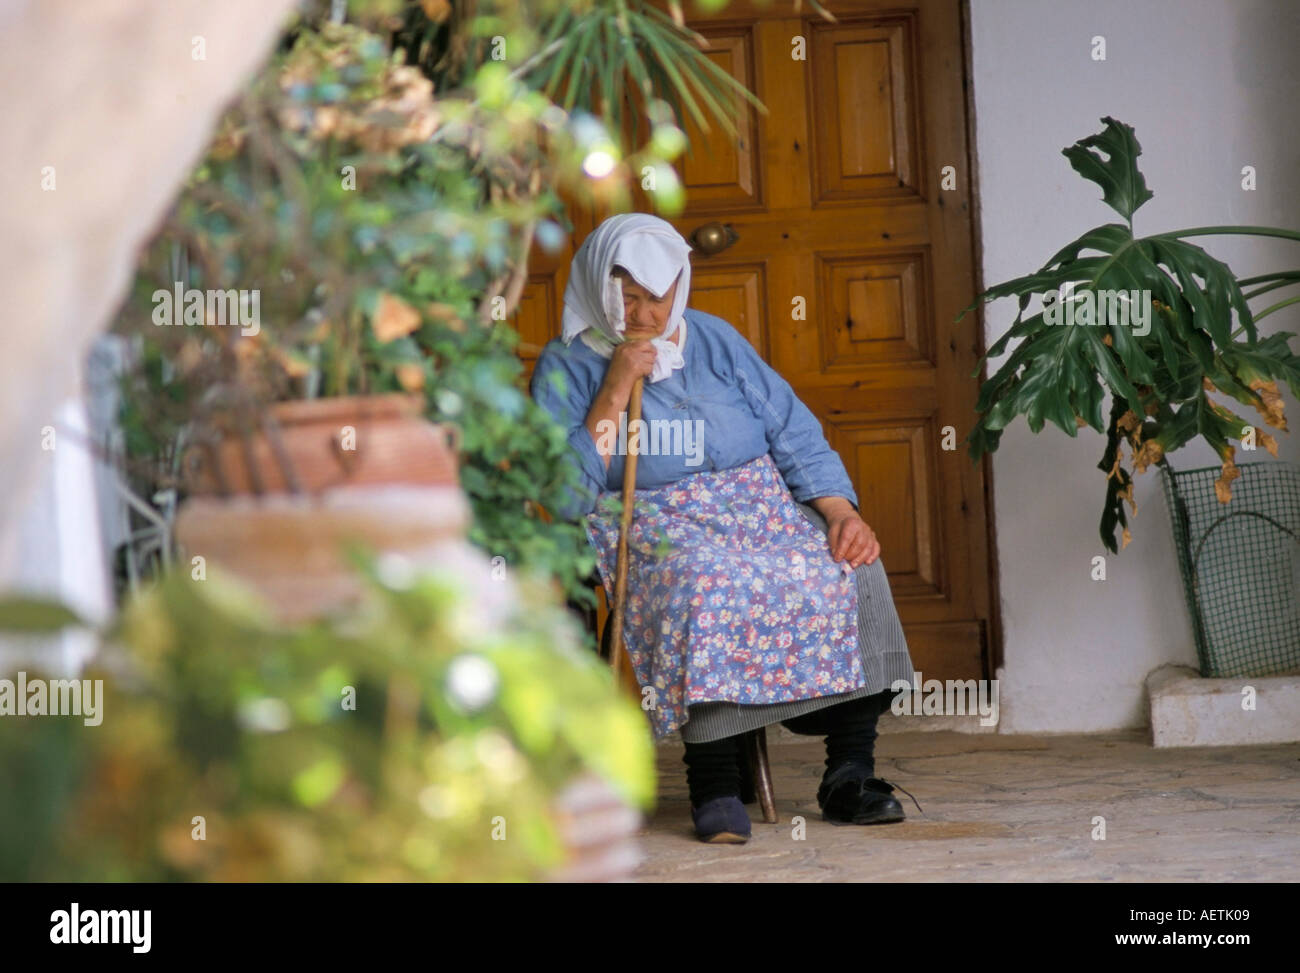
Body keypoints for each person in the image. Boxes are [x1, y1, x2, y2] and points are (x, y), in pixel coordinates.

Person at [529, 213, 917, 843]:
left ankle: (850, 773)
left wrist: (840, 512)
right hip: (652, 518)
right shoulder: (564, 365)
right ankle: (713, 780)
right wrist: (616, 384)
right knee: (704, 580)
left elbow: (791, 429)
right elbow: (565, 496)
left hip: (758, 508)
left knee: (850, 564)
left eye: (658, 297)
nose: (645, 314)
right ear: (600, 288)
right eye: (627, 297)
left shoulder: (713, 339)